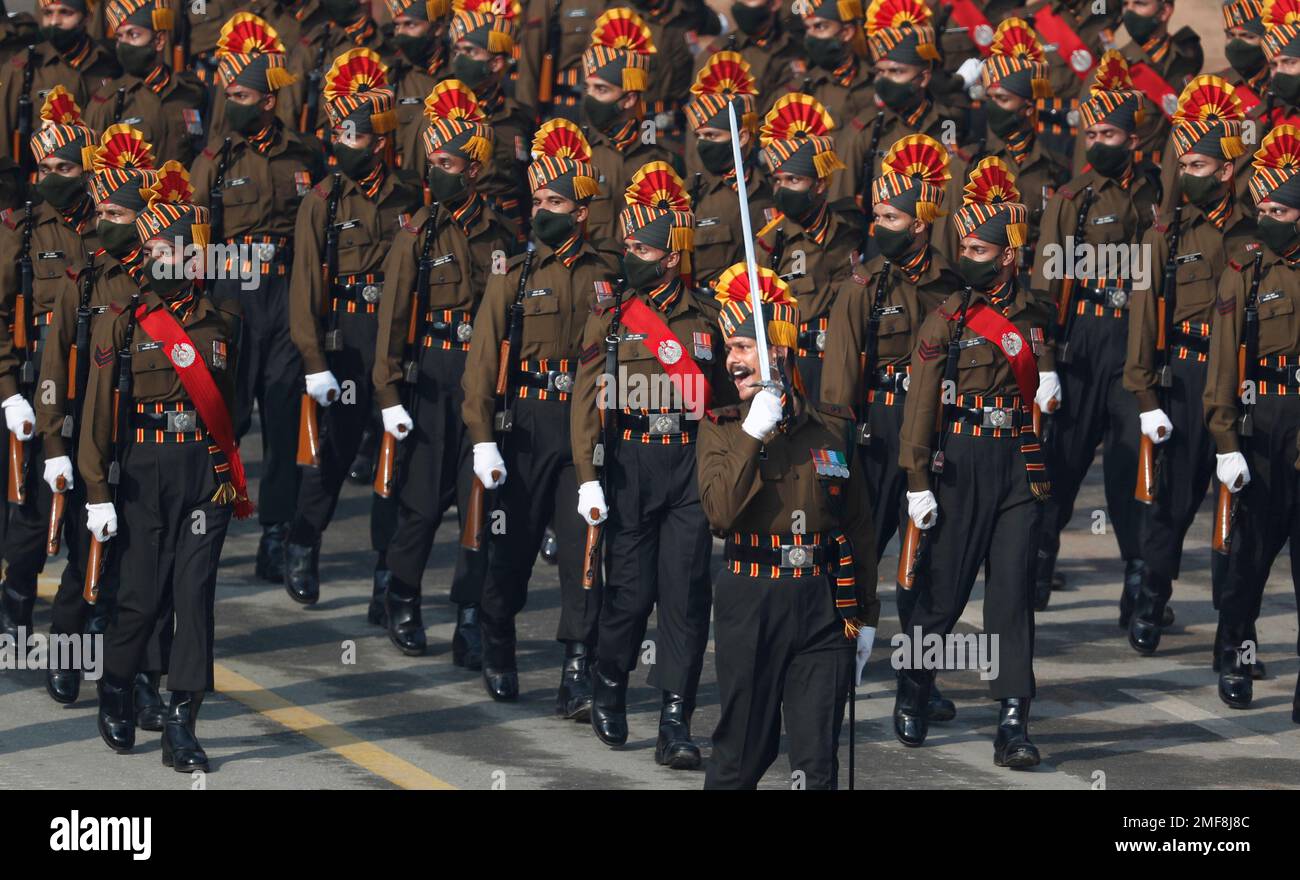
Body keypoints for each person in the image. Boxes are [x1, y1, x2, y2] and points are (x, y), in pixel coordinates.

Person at [85, 163, 249, 773]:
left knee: (193, 595)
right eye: (151, 245)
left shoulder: (226, 323)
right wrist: (97, 490)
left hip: (203, 474)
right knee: (140, 598)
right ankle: (118, 683)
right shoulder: (124, 320)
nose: (157, 256)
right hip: (142, 470)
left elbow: (236, 409)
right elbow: (101, 413)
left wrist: (223, 476)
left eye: (168, 247)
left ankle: (183, 719)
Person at [896, 157, 1053, 768]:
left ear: (1008, 254)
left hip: (1017, 458)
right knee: (943, 593)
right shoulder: (947, 318)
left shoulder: (1036, 314)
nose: (969, 256)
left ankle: (1013, 718)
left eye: (980, 247)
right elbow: (919, 407)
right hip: (959, 461)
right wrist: (916, 480)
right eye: (963, 245)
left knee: (1011, 593)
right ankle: (915, 681)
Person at [698, 263, 876, 790]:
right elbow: (720, 514)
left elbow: (859, 525)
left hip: (823, 603)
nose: (732, 359)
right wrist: (754, 431)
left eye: (744, 346)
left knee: (816, 762)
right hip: (752, 597)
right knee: (744, 750)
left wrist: (865, 615)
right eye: (729, 348)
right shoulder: (722, 430)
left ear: (778, 351)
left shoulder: (831, 427)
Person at [570, 161, 722, 769]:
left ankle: (675, 720)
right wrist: (586, 477)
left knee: (685, 598)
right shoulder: (611, 316)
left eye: (639, 245)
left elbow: (725, 400)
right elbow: (585, 402)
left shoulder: (707, 318)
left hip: (687, 464)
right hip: (630, 464)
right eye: (626, 242)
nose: (627, 252)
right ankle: (609, 681)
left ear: (667, 257)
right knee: (629, 597)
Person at [460, 118, 615, 705]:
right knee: (513, 545)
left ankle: (578, 666)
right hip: (524, 426)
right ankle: (497, 635)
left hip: (585, 432)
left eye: (555, 201)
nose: (543, 209)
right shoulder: (515, 279)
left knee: (583, 554)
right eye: (538, 200)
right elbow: (480, 365)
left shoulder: (609, 279)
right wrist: (481, 438)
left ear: (580, 211)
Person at [370, 78, 514, 660]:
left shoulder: (502, 235)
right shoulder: (416, 235)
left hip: (483, 383)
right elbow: (392, 319)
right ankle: (402, 596)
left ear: (473, 169)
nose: (438, 172)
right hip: (431, 378)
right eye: (432, 160)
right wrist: (388, 395)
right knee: (422, 504)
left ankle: (470, 615)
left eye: (448, 162)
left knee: (480, 502)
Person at [820, 132, 960, 723]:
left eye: (892, 216)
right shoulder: (862, 290)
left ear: (922, 223)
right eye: (876, 214)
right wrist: (836, 463)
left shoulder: (954, 288)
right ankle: (829, 671)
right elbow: (836, 394)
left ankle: (916, 682)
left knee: (930, 571)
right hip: (876, 440)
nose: (879, 226)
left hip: (934, 440)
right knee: (856, 559)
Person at [1125, 76, 1258, 657]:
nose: (1186, 173)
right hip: (1183, 377)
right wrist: (1145, 397)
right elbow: (1141, 315)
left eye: (1199, 163)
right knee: (1169, 506)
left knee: (1241, 516)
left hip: (1243, 383)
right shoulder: (1165, 233)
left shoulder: (1260, 233)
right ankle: (1152, 598)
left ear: (1226, 169)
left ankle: (1233, 638)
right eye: (1183, 161)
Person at [190, 12, 324, 584]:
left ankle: (277, 534)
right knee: (228, 417)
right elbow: (194, 243)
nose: (232, 101)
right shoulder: (213, 162)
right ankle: (210, 525)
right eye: (228, 92)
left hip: (286, 297)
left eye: (242, 93)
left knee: (284, 414)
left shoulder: (307, 156)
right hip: (232, 299)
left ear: (268, 99)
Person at [285, 49, 419, 610]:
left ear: (381, 139)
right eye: (337, 134)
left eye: (355, 136)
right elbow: (304, 292)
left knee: (395, 464)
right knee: (330, 458)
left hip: (397, 344)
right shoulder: (322, 201)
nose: (343, 145)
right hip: (344, 344)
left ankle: (386, 578)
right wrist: (314, 360)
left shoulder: (412, 195)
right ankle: (302, 542)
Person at [36, 124, 164, 712]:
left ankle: (130, 669)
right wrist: (53, 443)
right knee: (87, 551)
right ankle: (64, 650)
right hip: (90, 431)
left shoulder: (167, 278)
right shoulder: (82, 278)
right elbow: (54, 365)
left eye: (122, 210)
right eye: (103, 206)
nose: (107, 219)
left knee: (138, 560)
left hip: (145, 433)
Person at [1029, 86, 1159, 614]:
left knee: (1135, 465)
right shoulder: (1071, 198)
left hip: (1135, 341)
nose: (1098, 142)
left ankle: (1140, 586)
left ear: (1133, 138)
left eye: (1108, 134)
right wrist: (1046, 365)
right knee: (1061, 460)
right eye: (1092, 134)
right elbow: (1043, 288)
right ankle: (1038, 560)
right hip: (1083, 338)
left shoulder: (1156, 194)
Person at [1203, 123, 1300, 722]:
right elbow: (1221, 364)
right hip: (1261, 426)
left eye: (1280, 209)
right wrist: (1224, 438)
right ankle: (1236, 651)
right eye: (1261, 206)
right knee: (1249, 559)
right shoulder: (1245, 272)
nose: (1267, 218)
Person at [0, 88, 91, 646]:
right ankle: (18, 591)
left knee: (94, 493)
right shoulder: (24, 229)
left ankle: (86, 612)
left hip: (98, 377)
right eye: (45, 166)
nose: (54, 175)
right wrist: (8, 386)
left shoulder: (109, 228)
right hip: (39, 375)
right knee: (33, 502)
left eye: (65, 165)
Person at [754, 93, 857, 402]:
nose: (782, 189)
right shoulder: (771, 242)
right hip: (796, 366)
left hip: (843, 362)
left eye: (794, 180)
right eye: (778, 181)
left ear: (820, 184)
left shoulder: (853, 229)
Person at [574, 7, 675, 250]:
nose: (590, 98)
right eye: (588, 88)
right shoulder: (576, 155)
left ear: (629, 99)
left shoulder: (660, 158)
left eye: (601, 89)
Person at [83, 0, 207, 167]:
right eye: (119, 37)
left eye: (133, 35)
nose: (124, 44)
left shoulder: (190, 93)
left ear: (159, 41)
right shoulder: (108, 101)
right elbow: (90, 168)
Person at [0, 0, 118, 167]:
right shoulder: (23, 69)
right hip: (45, 180)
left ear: (87, 17)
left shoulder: (110, 64)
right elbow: (3, 141)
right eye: (48, 13)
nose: (55, 21)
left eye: (65, 12)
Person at [384, 0, 451, 171]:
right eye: (397, 26)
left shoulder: (459, 73)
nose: (401, 33)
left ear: (437, 28)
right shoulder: (392, 77)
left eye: (410, 25)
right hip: (407, 185)